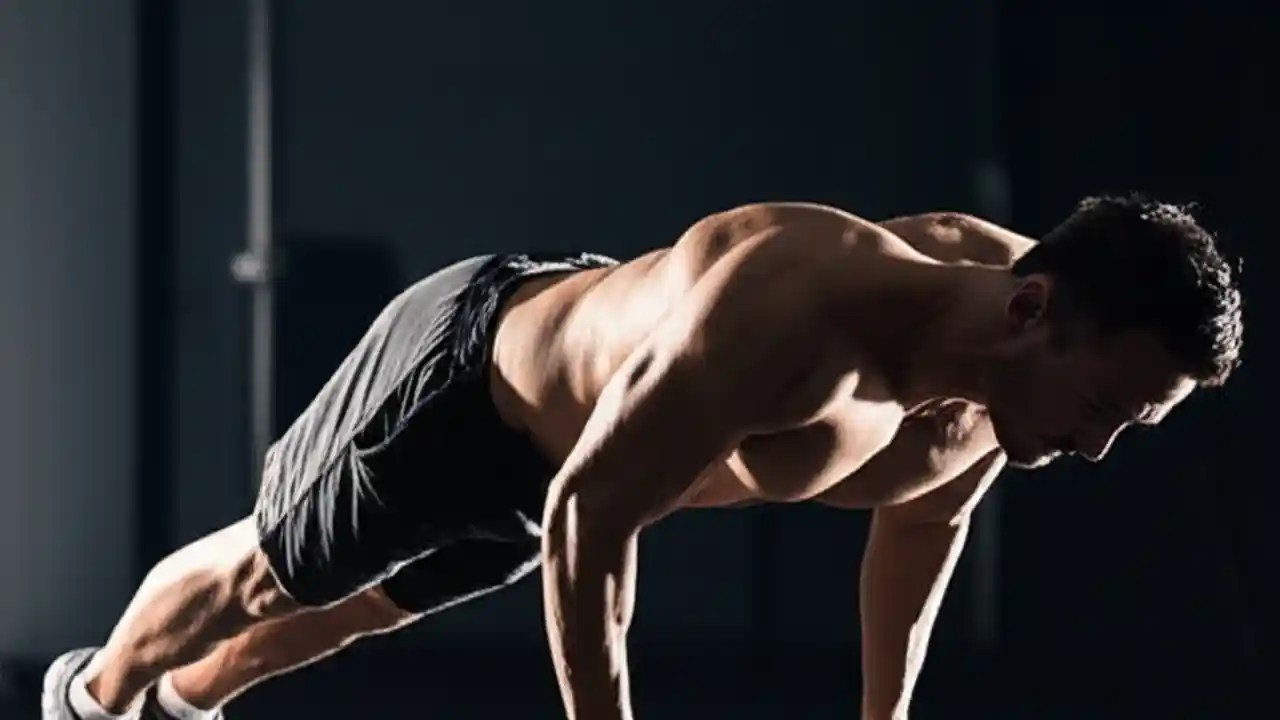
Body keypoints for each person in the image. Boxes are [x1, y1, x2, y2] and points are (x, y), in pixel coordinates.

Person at [42, 194, 1243, 720]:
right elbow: (587, 525)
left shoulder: (995, 383)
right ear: (1032, 309)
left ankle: (183, 705)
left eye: (1127, 429)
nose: (1093, 449)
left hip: (563, 462)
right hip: (470, 385)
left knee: (364, 612)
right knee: (272, 575)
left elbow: (925, 526)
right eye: (1101, 407)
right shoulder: (785, 304)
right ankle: (91, 698)